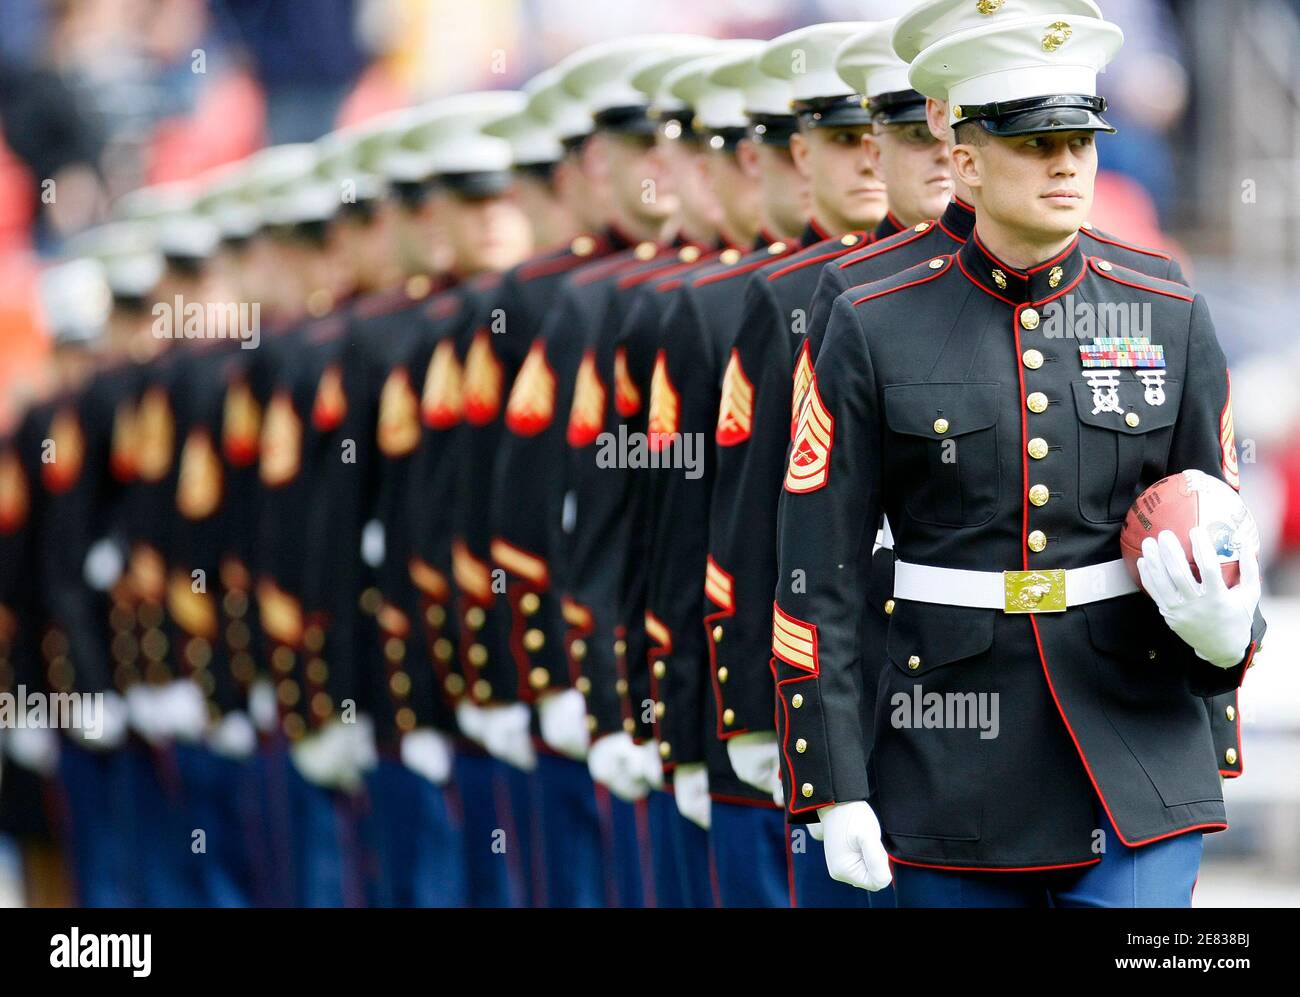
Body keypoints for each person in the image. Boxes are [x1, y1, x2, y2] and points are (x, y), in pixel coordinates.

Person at [774, 7, 1264, 908]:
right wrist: (833, 780)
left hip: (1136, 747)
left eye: (1080, 138)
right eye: (1036, 144)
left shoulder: (1164, 306)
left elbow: (1218, 516)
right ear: (964, 159)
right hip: (944, 758)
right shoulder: (871, 314)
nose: (1067, 164)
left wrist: (1229, 642)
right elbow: (819, 570)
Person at [704, 21, 891, 909]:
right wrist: (746, 708)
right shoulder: (789, 298)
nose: (869, 160)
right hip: (829, 681)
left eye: (880, 136)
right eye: (844, 139)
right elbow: (744, 528)